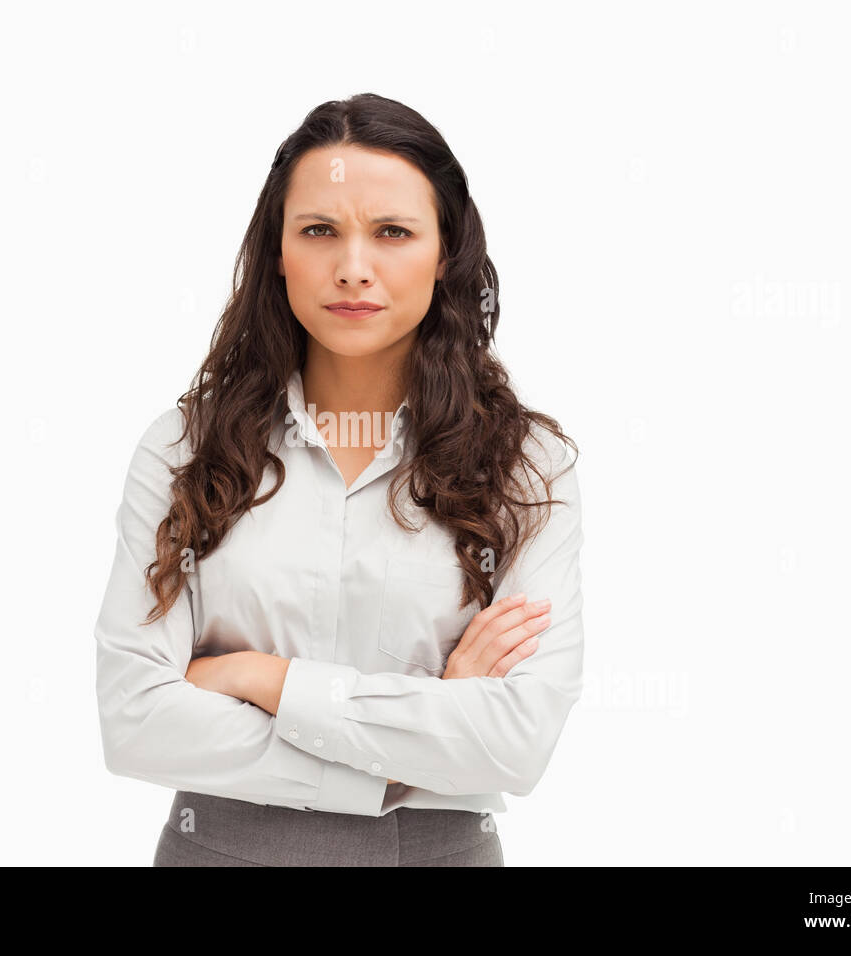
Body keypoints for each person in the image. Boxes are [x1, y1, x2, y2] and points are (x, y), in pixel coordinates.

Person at [94, 93, 584, 866]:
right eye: (319, 230)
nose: (354, 269)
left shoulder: (524, 466)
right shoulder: (184, 449)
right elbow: (135, 722)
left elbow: (515, 745)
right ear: (279, 251)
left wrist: (264, 678)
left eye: (393, 232)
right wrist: (403, 753)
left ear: (446, 252)